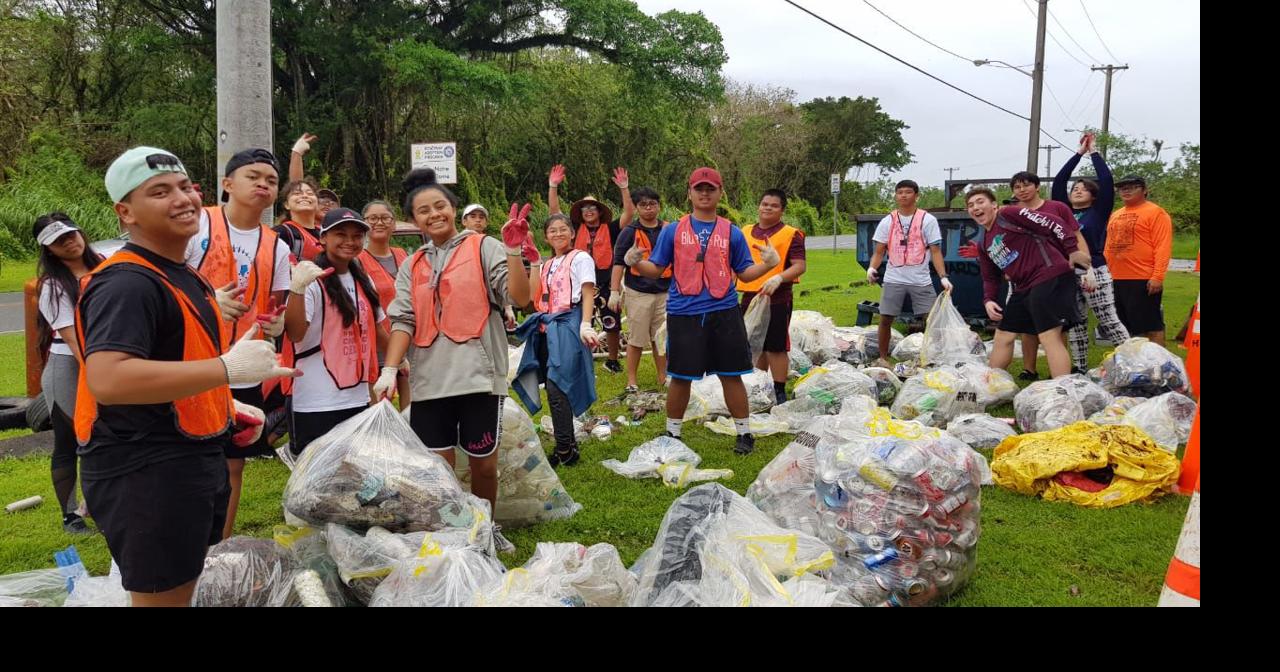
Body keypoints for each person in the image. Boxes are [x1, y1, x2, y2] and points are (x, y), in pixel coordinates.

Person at [77, 146, 294, 606]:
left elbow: (174, 359)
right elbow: (110, 379)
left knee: (185, 588)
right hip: (146, 468)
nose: (182, 199)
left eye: (184, 187)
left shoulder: (184, 277)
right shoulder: (127, 283)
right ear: (126, 212)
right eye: (159, 192)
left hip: (188, 457)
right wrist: (225, 370)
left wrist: (222, 401)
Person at [374, 169, 532, 511]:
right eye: (424, 210)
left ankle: (483, 530)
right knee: (438, 468)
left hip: (478, 378)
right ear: (413, 220)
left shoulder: (483, 246)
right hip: (430, 381)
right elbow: (403, 320)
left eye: (440, 205)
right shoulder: (413, 264)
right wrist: (388, 371)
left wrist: (514, 252)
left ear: (452, 207)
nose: (434, 214)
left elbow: (519, 297)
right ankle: (452, 533)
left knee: (484, 466)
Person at [629, 167, 778, 455]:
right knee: (681, 376)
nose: (705, 193)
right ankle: (673, 433)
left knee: (731, 374)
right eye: (699, 188)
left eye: (711, 188)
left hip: (724, 312)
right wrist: (635, 261)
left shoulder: (732, 233)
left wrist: (769, 265)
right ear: (690, 193)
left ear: (720, 193)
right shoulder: (673, 230)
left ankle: (744, 433)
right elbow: (656, 269)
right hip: (684, 313)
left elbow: (745, 274)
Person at [186, 147, 292, 539]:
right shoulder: (197, 225)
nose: (263, 184)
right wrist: (210, 302)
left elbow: (277, 305)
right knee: (191, 458)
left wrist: (277, 321)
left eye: (271, 180)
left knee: (233, 462)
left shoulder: (276, 244)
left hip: (245, 365)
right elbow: (163, 286)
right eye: (254, 176)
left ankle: (220, 543)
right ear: (227, 184)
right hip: (193, 364)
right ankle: (188, 540)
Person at [284, 208, 388, 453]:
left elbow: (377, 329)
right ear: (323, 238)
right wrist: (297, 289)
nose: (350, 242)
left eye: (357, 236)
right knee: (315, 482)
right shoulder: (310, 279)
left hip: (358, 399)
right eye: (341, 234)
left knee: (354, 477)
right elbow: (295, 334)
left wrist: (398, 364)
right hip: (315, 402)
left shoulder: (363, 280)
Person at [966, 187, 1096, 379]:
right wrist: (989, 299)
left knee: (1048, 336)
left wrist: (1072, 249)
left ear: (994, 205)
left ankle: (1064, 390)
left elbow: (1054, 221)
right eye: (970, 205)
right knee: (1003, 336)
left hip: (1050, 276)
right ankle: (990, 385)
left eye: (980, 202)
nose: (975, 207)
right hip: (1024, 286)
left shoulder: (1009, 214)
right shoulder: (984, 243)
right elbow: (990, 277)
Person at [33, 213, 104, 534]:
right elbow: (74, 338)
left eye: (72, 234)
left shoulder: (104, 265)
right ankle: (69, 514)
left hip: (106, 358)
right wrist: (98, 375)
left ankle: (101, 504)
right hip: (70, 363)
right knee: (70, 439)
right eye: (59, 241)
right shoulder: (52, 286)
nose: (70, 242)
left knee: (103, 437)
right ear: (49, 250)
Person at [511, 212, 600, 467]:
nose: (558, 234)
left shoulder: (580, 257)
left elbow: (587, 290)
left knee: (557, 384)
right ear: (546, 236)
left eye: (563, 229)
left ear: (572, 233)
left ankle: (564, 449)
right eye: (553, 231)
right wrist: (536, 263)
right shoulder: (550, 263)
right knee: (553, 385)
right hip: (547, 325)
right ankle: (567, 445)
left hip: (568, 323)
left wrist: (585, 323)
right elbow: (532, 296)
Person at [1052, 133, 1130, 370]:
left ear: (1093, 196)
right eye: (1075, 188)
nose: (1077, 190)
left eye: (1083, 188)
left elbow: (1106, 180)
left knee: (1108, 319)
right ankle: (1080, 367)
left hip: (1094, 269)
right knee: (1076, 323)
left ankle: (1134, 362)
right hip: (1068, 271)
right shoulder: (1062, 210)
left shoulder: (1098, 211)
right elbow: (1059, 182)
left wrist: (1093, 152)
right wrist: (1078, 154)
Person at [1007, 170, 1084, 379]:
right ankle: (1029, 369)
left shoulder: (1057, 208)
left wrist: (1083, 261)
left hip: (1057, 274)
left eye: (1026, 185)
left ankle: (1058, 372)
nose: (1022, 190)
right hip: (1025, 275)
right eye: (1017, 187)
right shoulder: (1012, 213)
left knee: (1058, 325)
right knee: (1028, 325)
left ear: (1037, 186)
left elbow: (1075, 234)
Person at [549, 164, 625, 373]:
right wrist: (553, 186)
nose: (589, 211)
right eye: (585, 209)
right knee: (583, 320)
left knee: (612, 321)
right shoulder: (574, 228)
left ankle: (612, 359)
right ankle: (584, 359)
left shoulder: (610, 228)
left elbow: (628, 213)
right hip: (581, 282)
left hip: (606, 281)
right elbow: (555, 213)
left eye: (592, 208)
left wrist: (624, 188)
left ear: (599, 212)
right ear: (580, 214)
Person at [866, 180, 951, 366]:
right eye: (900, 192)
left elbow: (935, 251)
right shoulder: (888, 220)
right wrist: (872, 268)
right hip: (893, 278)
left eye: (908, 192)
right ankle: (883, 357)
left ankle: (934, 358)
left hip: (921, 279)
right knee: (886, 317)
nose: (903, 195)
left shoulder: (927, 220)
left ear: (916, 196)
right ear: (896, 196)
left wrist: (943, 277)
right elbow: (879, 251)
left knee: (932, 319)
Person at [737, 189, 807, 405]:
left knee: (775, 345)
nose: (767, 208)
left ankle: (779, 390)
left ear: (782, 210)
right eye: (764, 203)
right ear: (758, 206)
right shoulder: (745, 232)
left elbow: (799, 266)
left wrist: (778, 278)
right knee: (752, 342)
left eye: (773, 205)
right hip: (749, 295)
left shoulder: (790, 234)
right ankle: (759, 383)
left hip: (777, 297)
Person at [609, 185, 669, 392]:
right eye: (643, 205)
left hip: (665, 291)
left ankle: (663, 376)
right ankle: (631, 380)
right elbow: (618, 262)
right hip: (639, 292)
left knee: (660, 337)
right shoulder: (629, 232)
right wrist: (614, 291)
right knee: (636, 339)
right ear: (636, 208)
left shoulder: (668, 229)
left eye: (653, 204)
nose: (649, 208)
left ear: (659, 206)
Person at [1104, 175, 1173, 346]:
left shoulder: (1156, 212)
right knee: (1122, 325)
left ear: (1144, 190)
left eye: (1132, 186)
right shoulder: (1116, 214)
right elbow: (1108, 245)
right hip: (1115, 278)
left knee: (1150, 325)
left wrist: (1157, 276)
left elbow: (1162, 246)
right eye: (1122, 188)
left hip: (1142, 278)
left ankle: (1159, 365)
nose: (1126, 190)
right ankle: (1131, 364)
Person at [356, 200, 411, 408]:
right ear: (364, 224)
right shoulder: (357, 261)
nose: (379, 223)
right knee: (378, 404)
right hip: (375, 342)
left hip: (407, 337)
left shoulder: (403, 255)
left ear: (393, 223)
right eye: (372, 219)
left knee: (410, 400)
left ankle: (410, 438)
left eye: (385, 218)